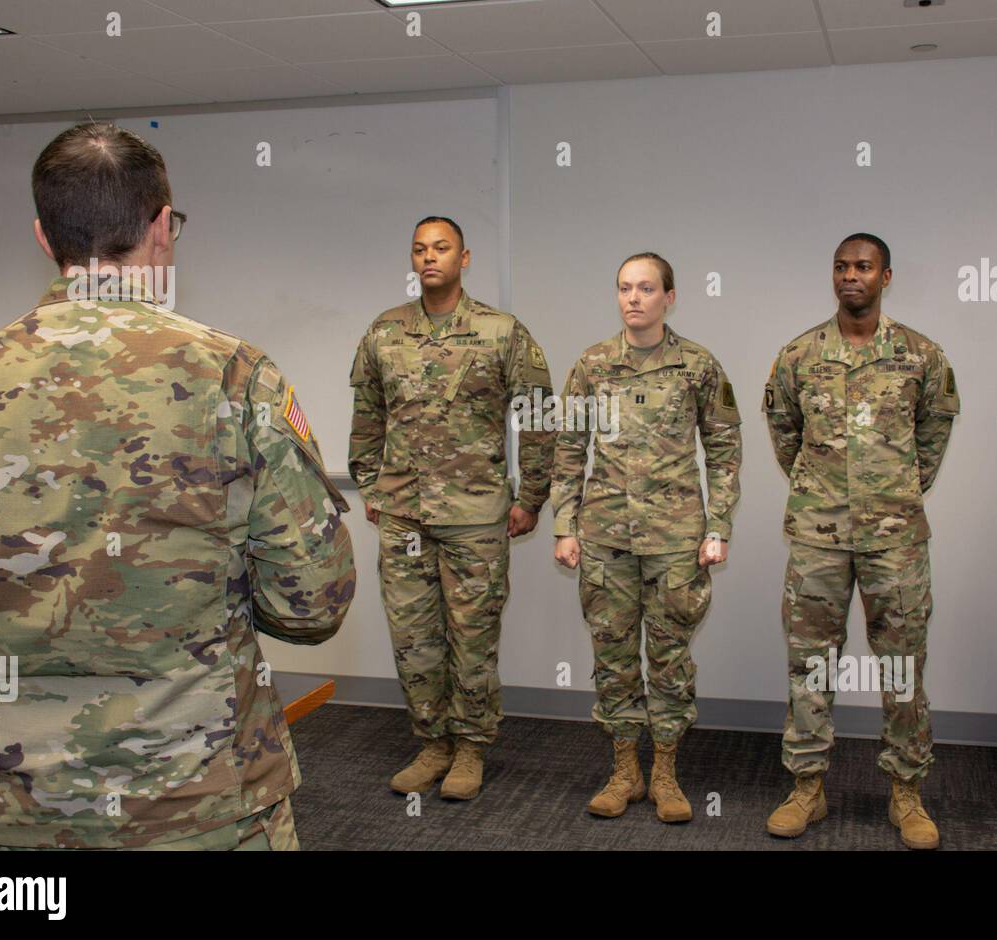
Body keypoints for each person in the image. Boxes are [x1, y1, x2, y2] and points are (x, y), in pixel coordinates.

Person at [0, 122, 355, 850]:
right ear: (159, 227)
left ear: (41, 236)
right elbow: (314, 602)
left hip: (21, 806)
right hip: (200, 799)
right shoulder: (232, 377)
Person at [761, 233, 959, 849]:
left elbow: (933, 434)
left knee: (902, 668)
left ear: (886, 276)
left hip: (894, 539)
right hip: (819, 535)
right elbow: (783, 431)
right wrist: (826, 492)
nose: (852, 276)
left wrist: (894, 491)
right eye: (843, 267)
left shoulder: (921, 356)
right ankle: (808, 787)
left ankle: (906, 792)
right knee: (811, 663)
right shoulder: (798, 355)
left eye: (864, 267)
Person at [349, 217, 554, 800]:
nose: (429, 258)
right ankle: (432, 741)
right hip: (404, 514)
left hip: (474, 515)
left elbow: (538, 417)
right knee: (413, 635)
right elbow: (367, 414)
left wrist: (532, 497)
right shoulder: (384, 332)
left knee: (472, 635)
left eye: (441, 248)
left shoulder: (500, 331)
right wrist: (369, 485)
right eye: (419, 249)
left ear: (465, 258)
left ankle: (470, 749)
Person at [552, 252, 741, 823]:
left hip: (675, 541)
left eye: (646, 288)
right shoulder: (592, 365)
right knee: (612, 660)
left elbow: (726, 448)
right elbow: (568, 448)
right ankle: (623, 771)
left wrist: (718, 526)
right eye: (624, 288)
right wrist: (565, 524)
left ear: (670, 296)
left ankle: (664, 771)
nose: (633, 298)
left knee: (669, 659)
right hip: (606, 539)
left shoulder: (698, 366)